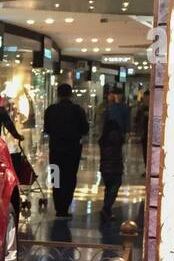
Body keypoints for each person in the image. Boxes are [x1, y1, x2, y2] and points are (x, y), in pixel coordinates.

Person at [43, 83, 88, 218]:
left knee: (56, 177)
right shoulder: (78, 110)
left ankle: (58, 207)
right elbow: (85, 129)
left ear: (57, 94)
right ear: (71, 94)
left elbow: (47, 129)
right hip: (72, 150)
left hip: (55, 149)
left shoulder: (50, 110)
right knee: (69, 177)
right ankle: (65, 207)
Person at [98, 87, 130, 222]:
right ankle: (106, 208)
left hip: (105, 167)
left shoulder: (103, 139)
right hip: (114, 167)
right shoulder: (117, 137)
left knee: (108, 186)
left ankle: (107, 209)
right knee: (114, 186)